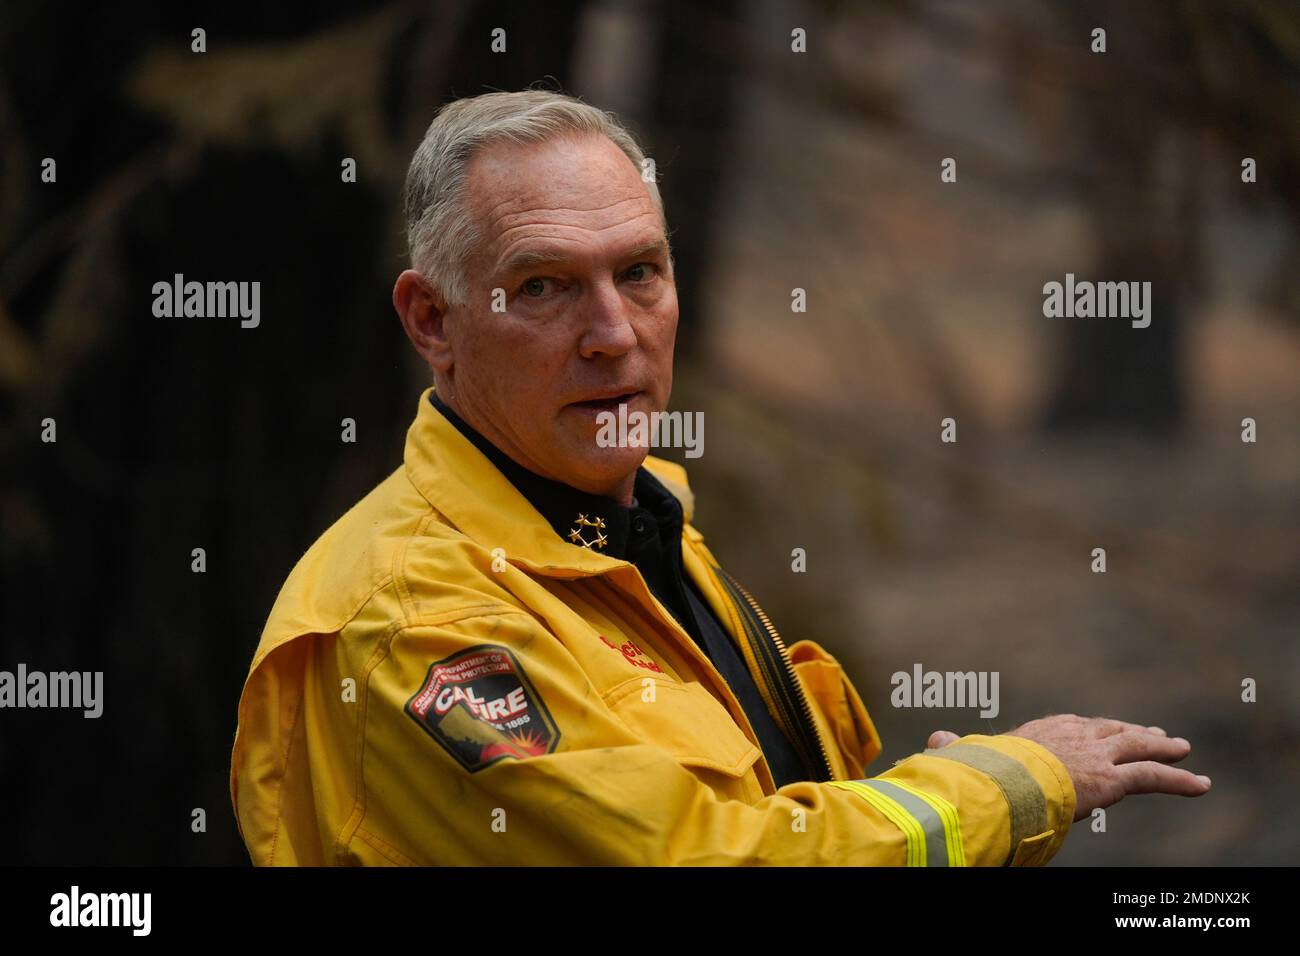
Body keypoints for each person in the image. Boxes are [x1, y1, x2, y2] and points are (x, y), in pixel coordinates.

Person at [229, 89, 1210, 866]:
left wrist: (924, 816)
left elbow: (760, 816)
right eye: (543, 286)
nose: (613, 334)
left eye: (640, 272)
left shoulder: (634, 524)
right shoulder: (413, 619)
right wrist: (1006, 789)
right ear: (433, 322)